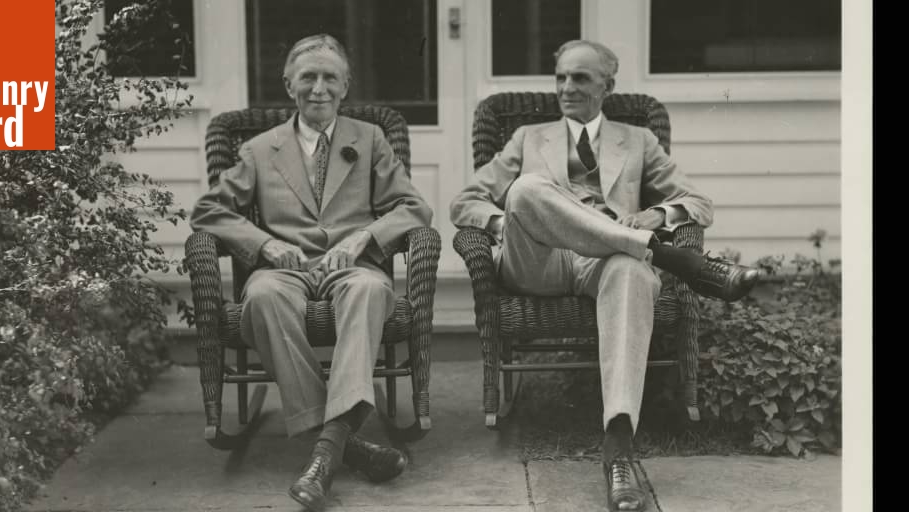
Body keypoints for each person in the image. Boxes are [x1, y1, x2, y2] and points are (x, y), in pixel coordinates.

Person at [449, 39, 760, 511]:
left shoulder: (638, 141)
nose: (566, 88)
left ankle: (618, 447)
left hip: (607, 261)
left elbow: (698, 203)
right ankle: (681, 263)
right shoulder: (528, 138)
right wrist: (507, 220)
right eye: (560, 78)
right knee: (528, 188)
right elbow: (464, 201)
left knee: (631, 273)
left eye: (580, 78)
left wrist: (657, 215)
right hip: (541, 260)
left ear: (607, 86)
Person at [190, 34, 433, 512]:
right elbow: (208, 212)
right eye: (308, 77)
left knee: (367, 291)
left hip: (353, 266)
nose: (318, 88)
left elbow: (414, 207)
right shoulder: (261, 150)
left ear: (345, 87)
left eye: (329, 78)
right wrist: (265, 243)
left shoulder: (370, 140)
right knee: (261, 297)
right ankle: (347, 444)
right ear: (288, 85)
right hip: (285, 269)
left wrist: (363, 238)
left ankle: (324, 451)